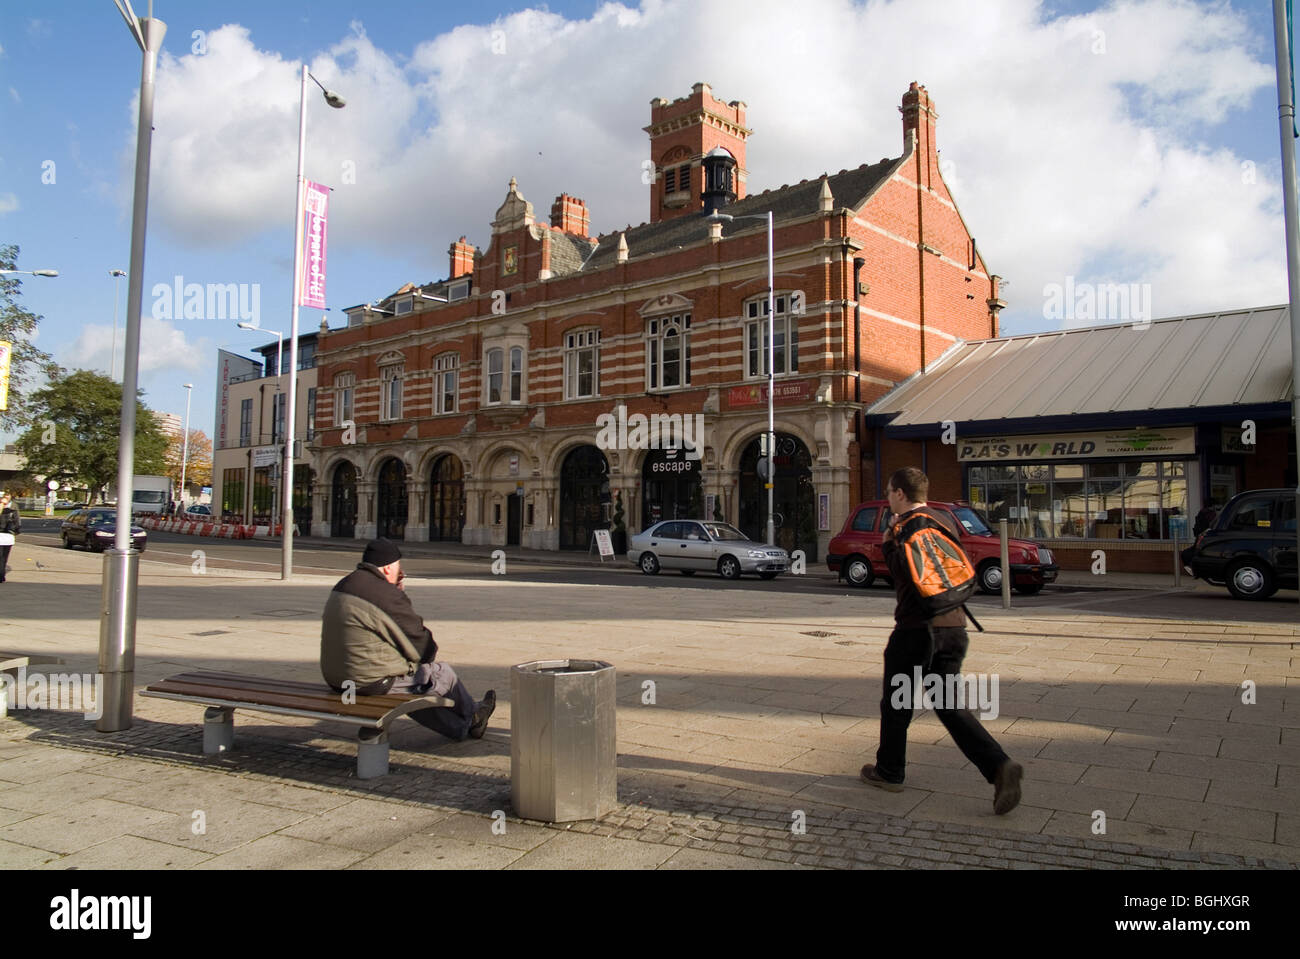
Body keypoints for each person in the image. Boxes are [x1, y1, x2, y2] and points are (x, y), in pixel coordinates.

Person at [860, 467, 1024, 815]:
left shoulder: (902, 527)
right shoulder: (943, 520)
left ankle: (889, 771)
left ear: (901, 494)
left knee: (896, 702)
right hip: (955, 626)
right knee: (948, 704)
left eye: (890, 492)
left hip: (917, 629)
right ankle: (999, 767)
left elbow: (904, 577)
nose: (888, 498)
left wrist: (889, 542)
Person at [320, 538, 495, 740]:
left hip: (338, 681)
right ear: (387, 569)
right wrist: (398, 595)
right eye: (399, 568)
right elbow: (424, 648)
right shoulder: (384, 594)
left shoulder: (344, 584)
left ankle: (462, 726)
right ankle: (474, 716)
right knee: (440, 674)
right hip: (370, 683)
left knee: (413, 690)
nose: (400, 573)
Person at [0, 492, 19, 584]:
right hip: (8, 537)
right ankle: (2, 575)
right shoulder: (13, 511)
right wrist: (16, 532)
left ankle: (1, 575)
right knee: (4, 557)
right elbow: (17, 524)